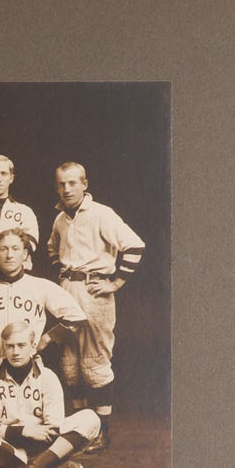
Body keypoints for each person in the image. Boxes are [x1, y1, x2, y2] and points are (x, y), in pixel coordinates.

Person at [47, 161, 145, 450]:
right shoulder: (60, 219)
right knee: (69, 364)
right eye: (62, 184)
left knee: (95, 363)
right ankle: (80, 428)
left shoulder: (101, 214)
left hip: (94, 292)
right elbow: (52, 248)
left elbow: (135, 246)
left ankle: (101, 430)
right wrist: (64, 274)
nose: (67, 189)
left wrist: (114, 283)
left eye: (73, 183)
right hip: (68, 290)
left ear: (84, 184)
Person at [0, 226, 88, 402]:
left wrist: (47, 339)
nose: (9, 255)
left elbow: (77, 317)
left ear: (25, 254)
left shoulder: (40, 286)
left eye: (15, 249)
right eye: (3, 249)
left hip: (29, 367)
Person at [0, 320, 100, 468]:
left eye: (21, 345)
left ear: (33, 347)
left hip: (43, 442)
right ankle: (51, 466)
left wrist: (31, 430)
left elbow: (53, 425)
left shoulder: (47, 377)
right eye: (10, 346)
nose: (15, 352)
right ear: (3, 348)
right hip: (9, 445)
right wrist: (23, 430)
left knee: (90, 418)